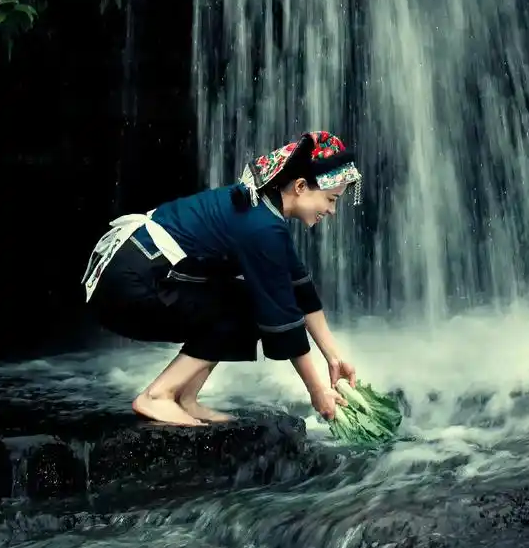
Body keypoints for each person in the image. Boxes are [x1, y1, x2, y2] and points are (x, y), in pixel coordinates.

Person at [82, 130, 362, 427]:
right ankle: (157, 395)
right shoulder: (262, 227)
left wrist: (333, 357)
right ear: (301, 186)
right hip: (130, 284)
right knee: (247, 305)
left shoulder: (264, 211)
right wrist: (317, 392)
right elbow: (282, 315)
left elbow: (299, 289)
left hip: (126, 276)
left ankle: (184, 398)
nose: (331, 211)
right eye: (331, 199)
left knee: (240, 300)